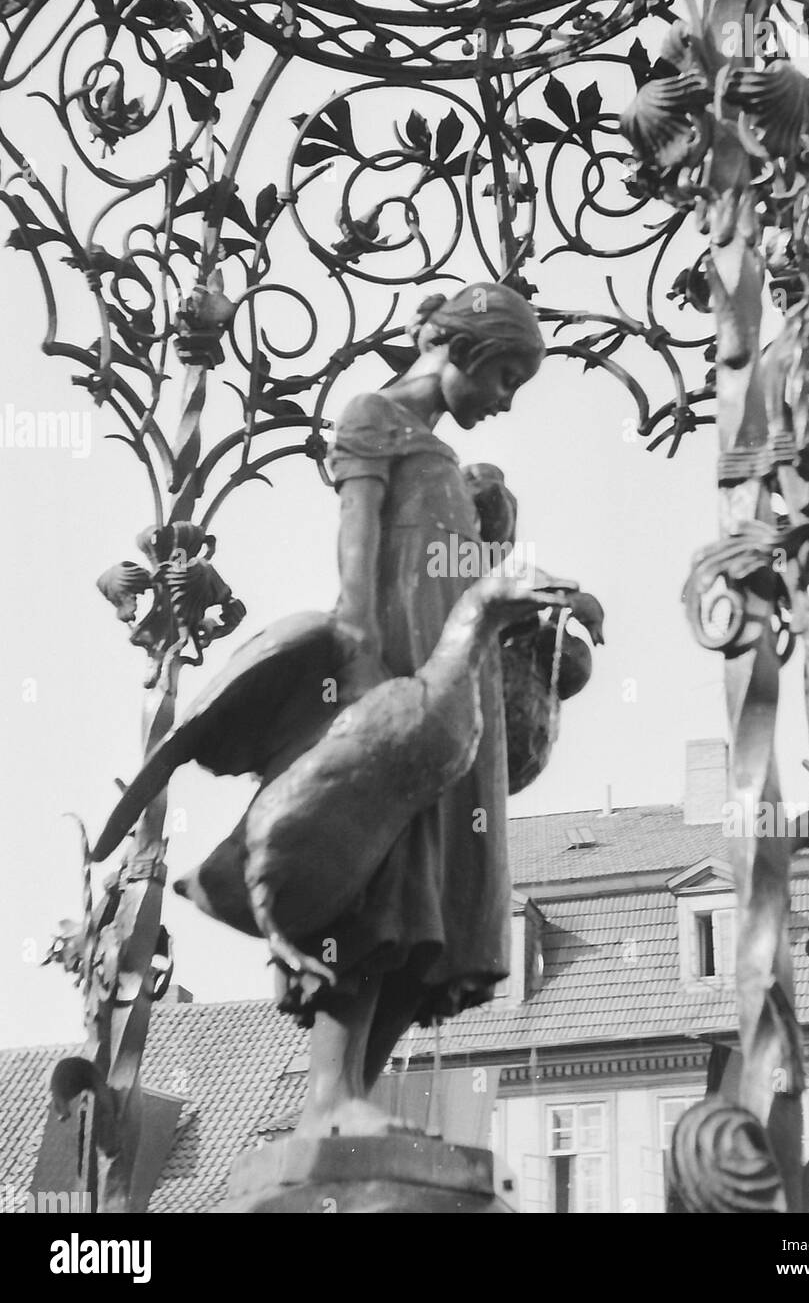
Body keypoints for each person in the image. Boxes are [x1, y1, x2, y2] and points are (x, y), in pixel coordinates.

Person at [295, 281, 546, 1137]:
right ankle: (329, 1096)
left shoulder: (442, 457)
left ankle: (353, 1096)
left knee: (443, 896)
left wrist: (500, 560)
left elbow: (460, 584)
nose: (507, 401)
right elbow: (355, 566)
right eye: (504, 375)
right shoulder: (372, 417)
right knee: (380, 877)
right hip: (401, 673)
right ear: (460, 352)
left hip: (455, 685)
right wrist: (364, 671)